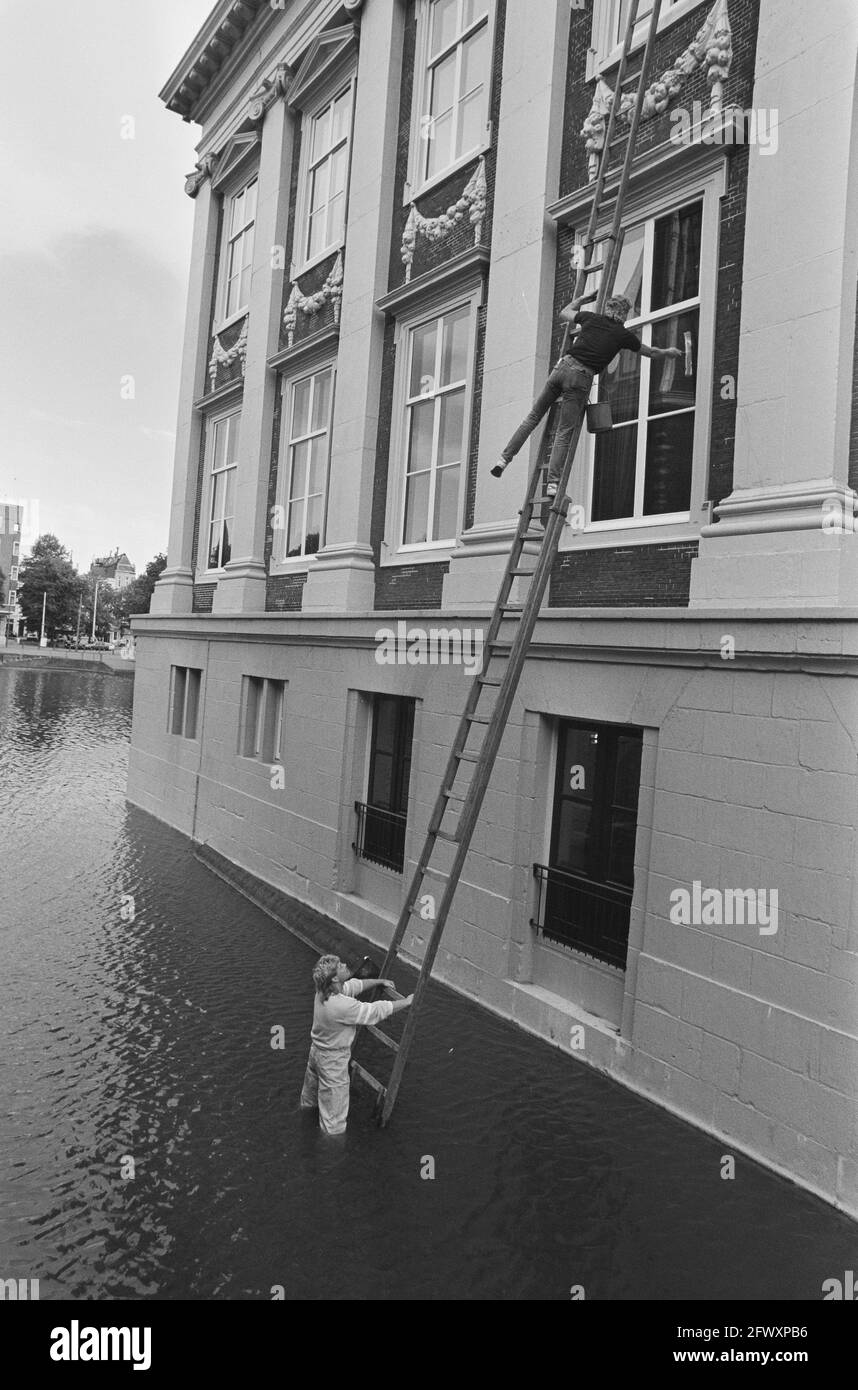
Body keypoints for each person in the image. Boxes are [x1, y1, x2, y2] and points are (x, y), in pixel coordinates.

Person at [490, 292, 683, 497]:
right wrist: (667, 352)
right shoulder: (623, 335)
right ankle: (553, 484)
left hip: (561, 368)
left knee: (532, 417)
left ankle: (503, 460)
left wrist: (583, 300)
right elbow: (651, 352)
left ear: (607, 308)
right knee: (564, 431)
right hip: (580, 377)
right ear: (624, 314)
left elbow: (565, 312)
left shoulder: (591, 318)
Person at [300, 954, 414, 1136]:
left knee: (309, 1103)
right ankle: (329, 1157)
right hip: (333, 1064)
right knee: (334, 1127)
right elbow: (375, 1011)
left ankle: (303, 1128)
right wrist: (406, 1002)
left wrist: (379, 981)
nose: (345, 964)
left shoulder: (323, 990)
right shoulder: (342, 1006)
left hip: (316, 1054)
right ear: (335, 977)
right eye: (341, 965)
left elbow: (354, 986)